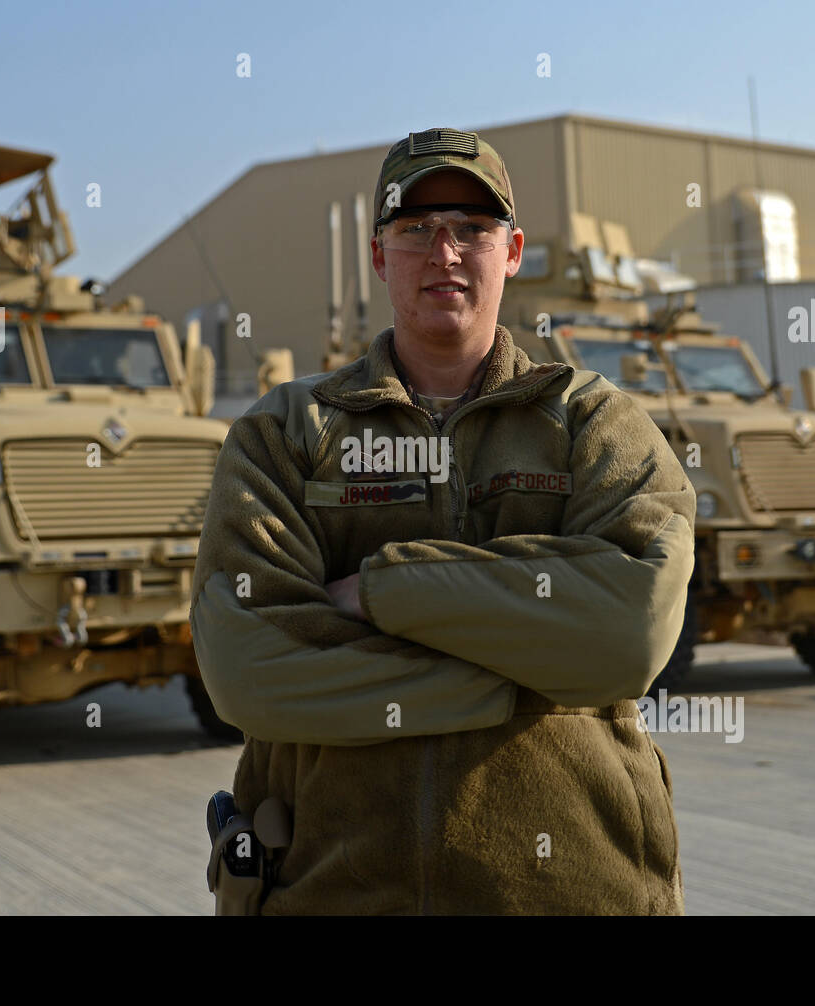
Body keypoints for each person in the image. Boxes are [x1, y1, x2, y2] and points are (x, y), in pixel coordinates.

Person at [191, 127, 696, 915]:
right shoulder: (288, 433)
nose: (446, 252)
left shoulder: (594, 421)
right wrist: (529, 670)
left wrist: (383, 593)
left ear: (514, 249)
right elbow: (248, 667)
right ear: (378, 254)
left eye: (473, 228)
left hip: (575, 893)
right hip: (332, 890)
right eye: (416, 229)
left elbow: (628, 631)